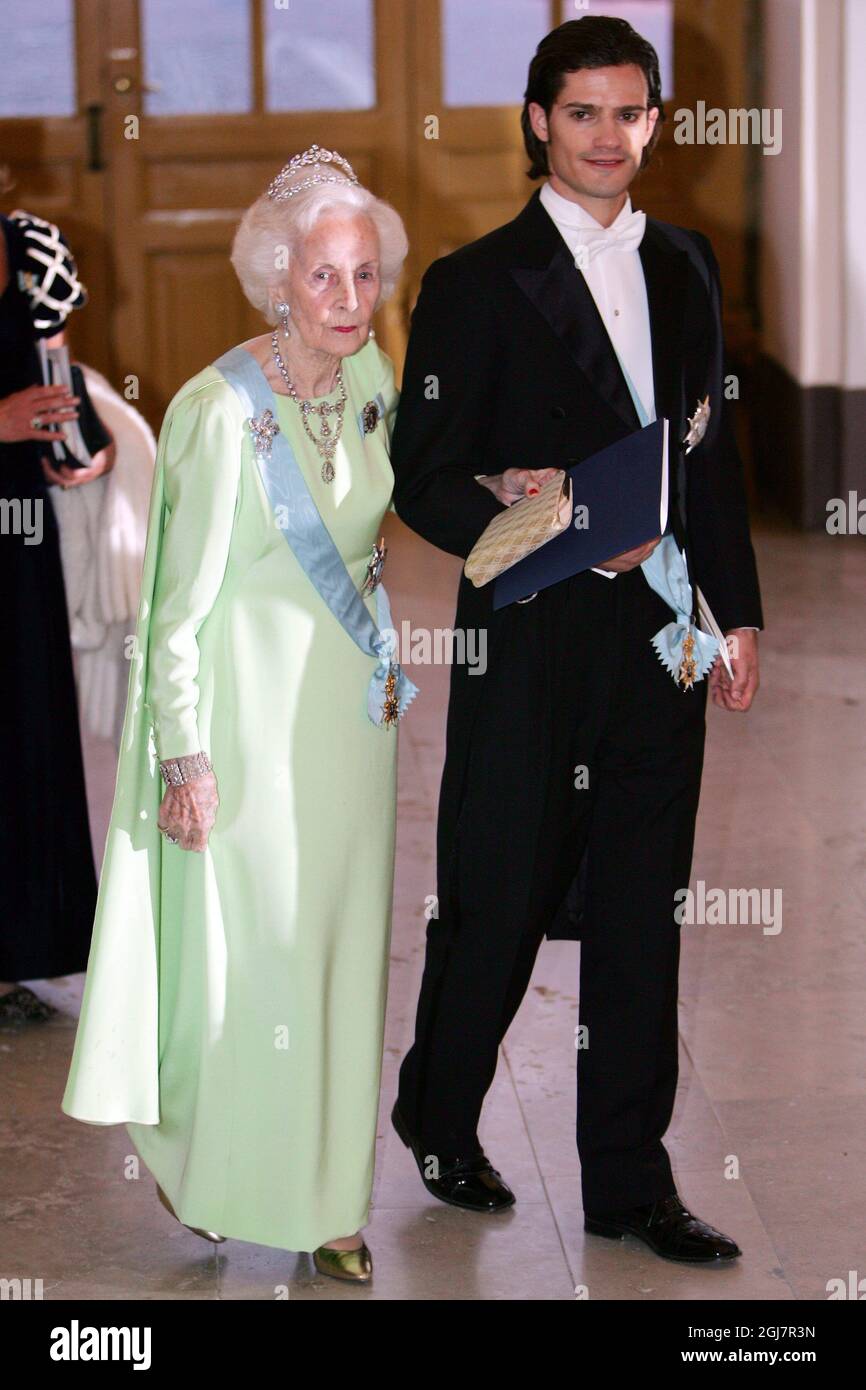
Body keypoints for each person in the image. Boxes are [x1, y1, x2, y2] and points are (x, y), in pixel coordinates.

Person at [390, 17, 762, 1264]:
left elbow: (707, 459)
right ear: (537, 122)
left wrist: (737, 609)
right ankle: (438, 1110)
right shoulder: (471, 282)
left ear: (655, 120)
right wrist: (526, 510)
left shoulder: (691, 265)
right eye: (584, 112)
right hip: (531, 638)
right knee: (496, 893)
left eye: (631, 112)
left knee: (638, 906)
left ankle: (627, 1179)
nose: (610, 137)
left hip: (658, 633)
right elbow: (423, 479)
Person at [62, 146, 415, 1283]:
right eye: (323, 278)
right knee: (252, 965)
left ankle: (330, 1203)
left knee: (339, 960)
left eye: (366, 277)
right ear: (276, 278)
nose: (349, 302)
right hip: (247, 735)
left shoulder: (372, 383)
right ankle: (201, 1155)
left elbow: (395, 513)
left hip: (349, 732)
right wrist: (185, 754)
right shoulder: (220, 411)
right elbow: (176, 609)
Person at [0, 208, 112, 1025]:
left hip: (15, 527)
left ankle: (22, 951)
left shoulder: (28, 247)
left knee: (24, 726)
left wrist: (82, 441)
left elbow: (55, 376)